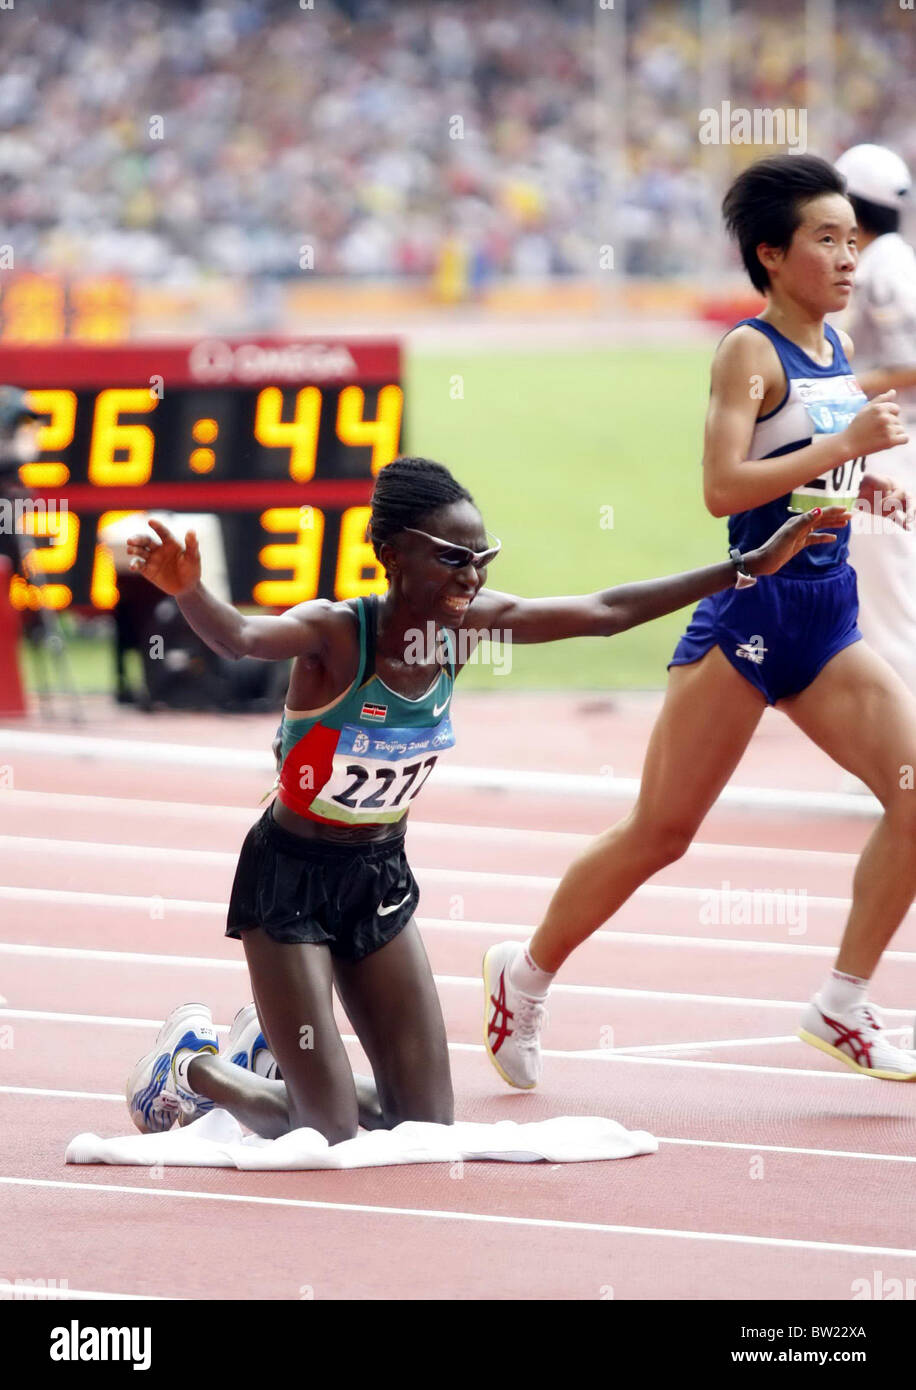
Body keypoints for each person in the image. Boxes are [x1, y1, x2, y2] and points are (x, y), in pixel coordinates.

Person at [123, 456, 847, 1143]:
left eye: (482, 559)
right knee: (329, 1135)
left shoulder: (467, 628)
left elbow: (603, 610)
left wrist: (747, 568)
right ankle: (193, 1067)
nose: (471, 576)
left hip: (378, 877)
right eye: (452, 557)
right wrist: (188, 589)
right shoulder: (337, 634)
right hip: (290, 879)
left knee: (426, 1129)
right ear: (392, 553)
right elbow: (245, 636)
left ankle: (276, 1058)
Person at [483, 153, 916, 1091]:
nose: (850, 259)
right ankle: (525, 974)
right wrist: (846, 446)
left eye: (853, 239)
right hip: (749, 619)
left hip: (827, 617)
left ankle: (841, 1003)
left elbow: (803, 470)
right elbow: (723, 489)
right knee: (663, 832)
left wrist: (861, 491)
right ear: (771, 254)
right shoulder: (749, 351)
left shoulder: (835, 348)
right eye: (827, 241)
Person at [834, 144, 916, 694]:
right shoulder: (893, 260)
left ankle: (893, 764)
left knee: (885, 611)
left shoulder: (885, 269)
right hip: (890, 440)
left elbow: (910, 363)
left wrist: (824, 387)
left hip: (893, 444)